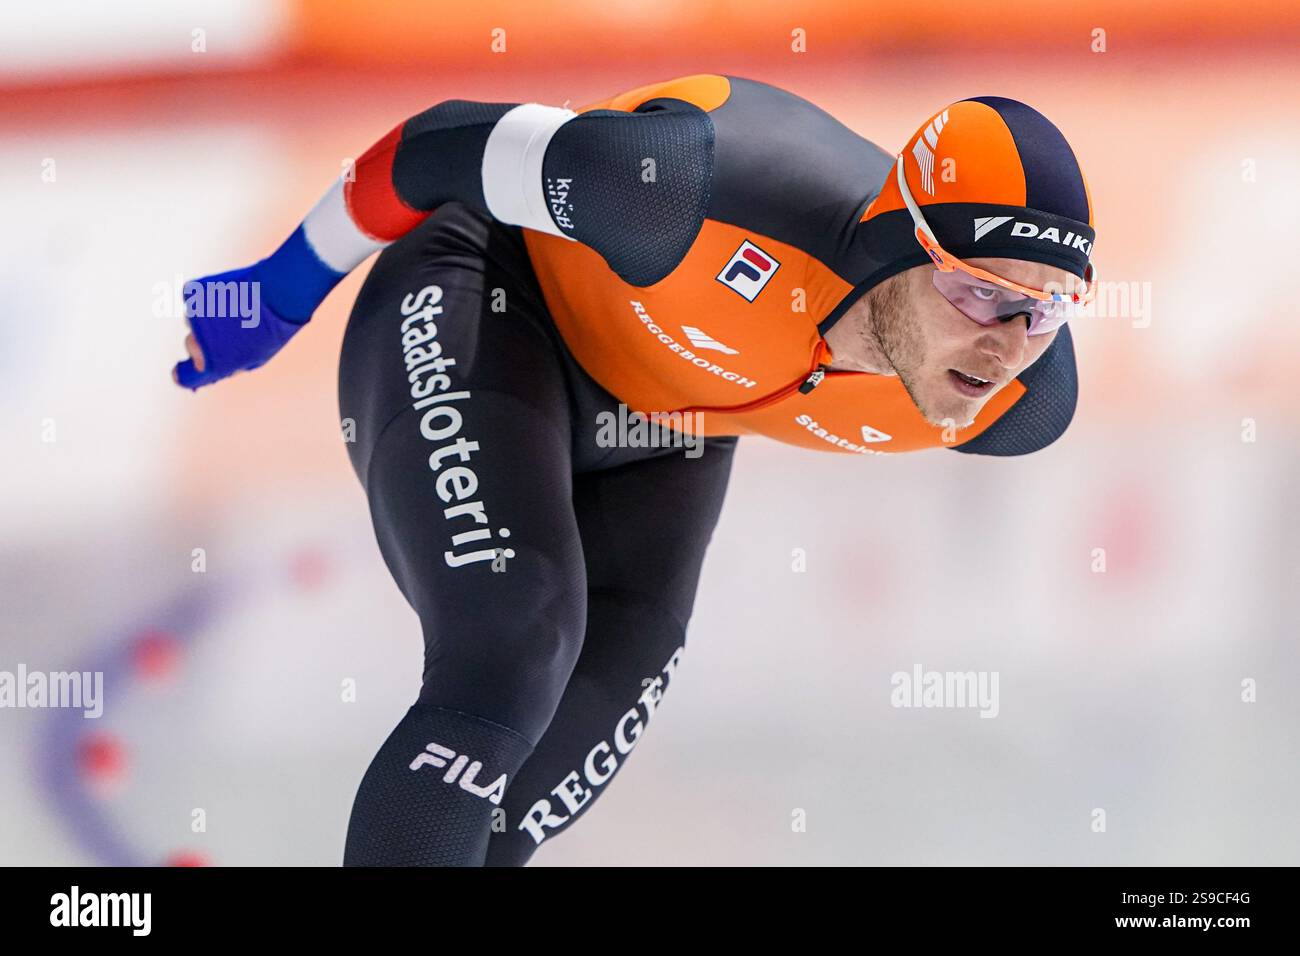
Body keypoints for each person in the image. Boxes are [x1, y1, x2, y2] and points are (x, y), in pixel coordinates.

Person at [172, 74, 1097, 866]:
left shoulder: (1021, 406)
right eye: (981, 290)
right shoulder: (682, 192)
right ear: (904, 245)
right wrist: (284, 286)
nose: (1007, 344)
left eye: (1046, 309)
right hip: (490, 297)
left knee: (533, 778)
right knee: (512, 646)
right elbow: (436, 144)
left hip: (673, 422)